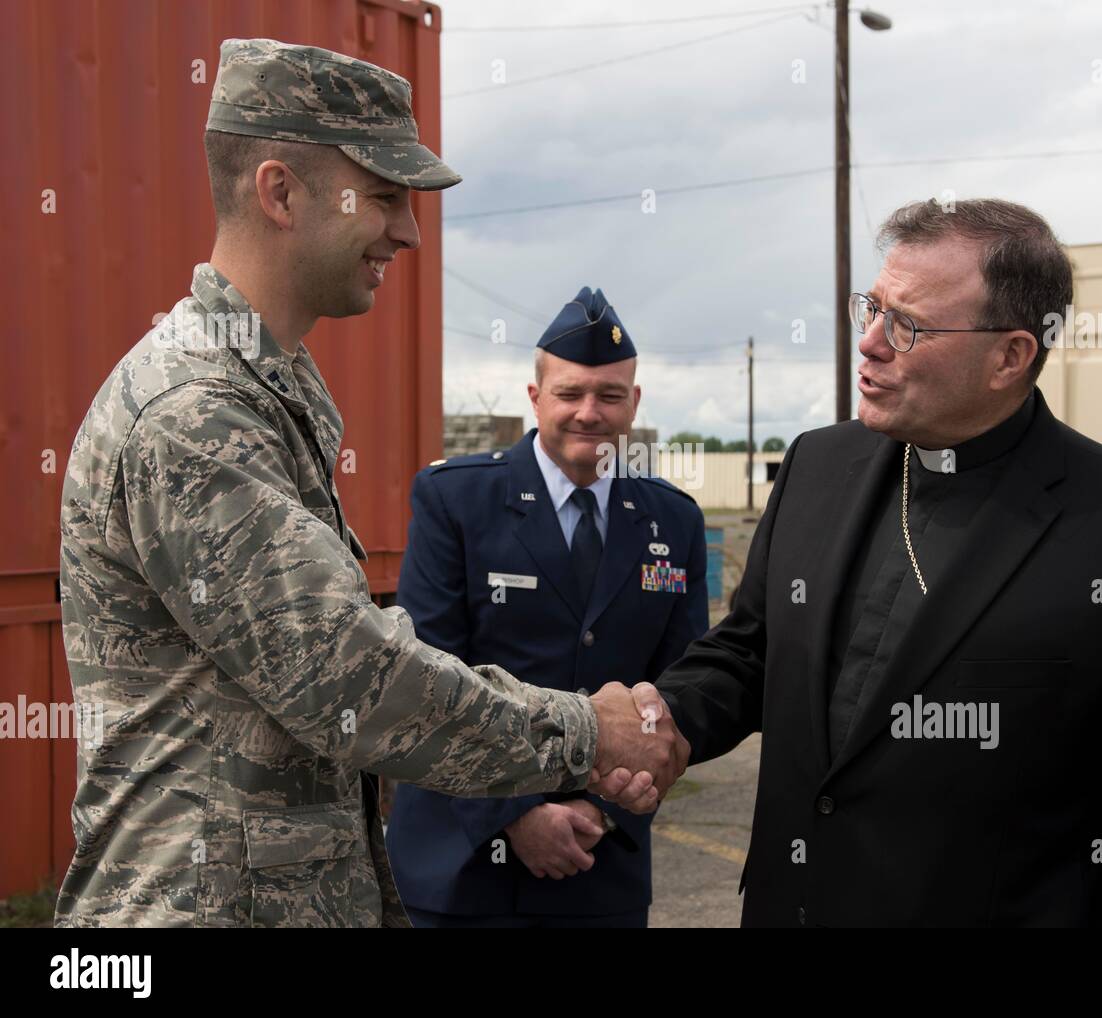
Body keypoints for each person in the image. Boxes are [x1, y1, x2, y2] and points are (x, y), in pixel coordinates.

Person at [55, 38, 686, 929]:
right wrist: (586, 733)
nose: (408, 231)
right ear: (280, 192)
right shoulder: (194, 414)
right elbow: (346, 677)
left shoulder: (263, 391)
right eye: (383, 196)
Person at [652, 198, 1102, 927]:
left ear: (1011, 355)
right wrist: (656, 720)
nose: (868, 342)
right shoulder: (814, 465)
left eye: (907, 325)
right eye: (871, 308)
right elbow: (749, 653)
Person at [386, 288, 710, 928]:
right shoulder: (457, 500)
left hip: (600, 866)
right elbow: (426, 676)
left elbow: (681, 687)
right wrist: (516, 816)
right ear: (535, 399)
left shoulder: (673, 518)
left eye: (609, 395)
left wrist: (603, 811)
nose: (589, 413)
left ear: (634, 402)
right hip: (461, 869)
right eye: (569, 393)